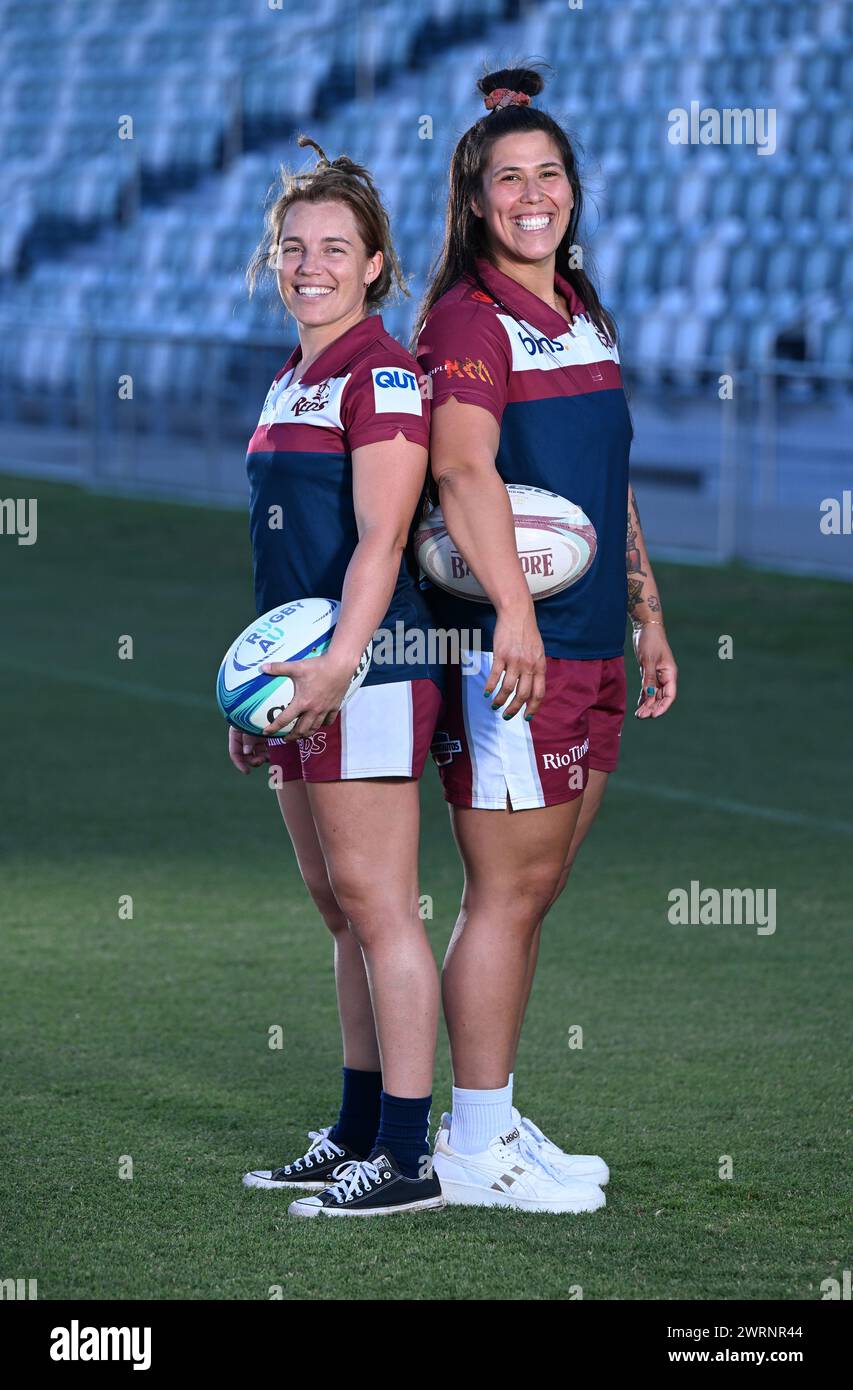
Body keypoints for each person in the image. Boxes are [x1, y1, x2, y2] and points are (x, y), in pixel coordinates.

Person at [413, 67, 678, 1212]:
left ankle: (493, 1107)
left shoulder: (575, 306)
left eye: (548, 174)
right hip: (508, 654)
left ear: (573, 188)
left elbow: (598, 486)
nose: (532, 195)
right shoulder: (469, 316)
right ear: (475, 200)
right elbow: (464, 468)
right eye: (506, 179)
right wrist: (515, 618)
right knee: (502, 893)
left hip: (588, 644)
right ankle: (472, 1149)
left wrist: (646, 607)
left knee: (542, 884)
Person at [236, 136, 445, 1217]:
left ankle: (408, 1160)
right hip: (304, 681)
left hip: (370, 669)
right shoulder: (290, 376)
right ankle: (358, 1128)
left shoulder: (386, 371)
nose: (308, 263)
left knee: (381, 908)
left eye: (333, 247)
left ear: (375, 264)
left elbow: (377, 541)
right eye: (291, 246)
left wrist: (332, 667)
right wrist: (259, 685)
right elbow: (286, 548)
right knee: (339, 908)